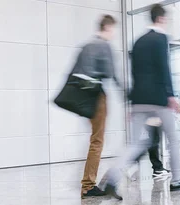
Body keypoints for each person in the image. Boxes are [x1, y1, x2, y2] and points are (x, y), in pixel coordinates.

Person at [103, 4, 180, 200]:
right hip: (158, 99)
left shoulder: (137, 42)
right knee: (173, 139)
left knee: (135, 143)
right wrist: (170, 95)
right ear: (161, 19)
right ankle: (177, 180)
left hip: (138, 100)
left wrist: (132, 102)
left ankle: (112, 177)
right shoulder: (161, 39)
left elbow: (134, 73)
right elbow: (164, 67)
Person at [74, 15, 120, 198]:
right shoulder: (103, 45)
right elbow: (111, 73)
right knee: (97, 141)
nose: (114, 33)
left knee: (94, 139)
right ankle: (88, 184)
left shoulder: (86, 46)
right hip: (98, 97)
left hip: (85, 97)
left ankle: (87, 182)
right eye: (113, 29)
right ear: (108, 27)